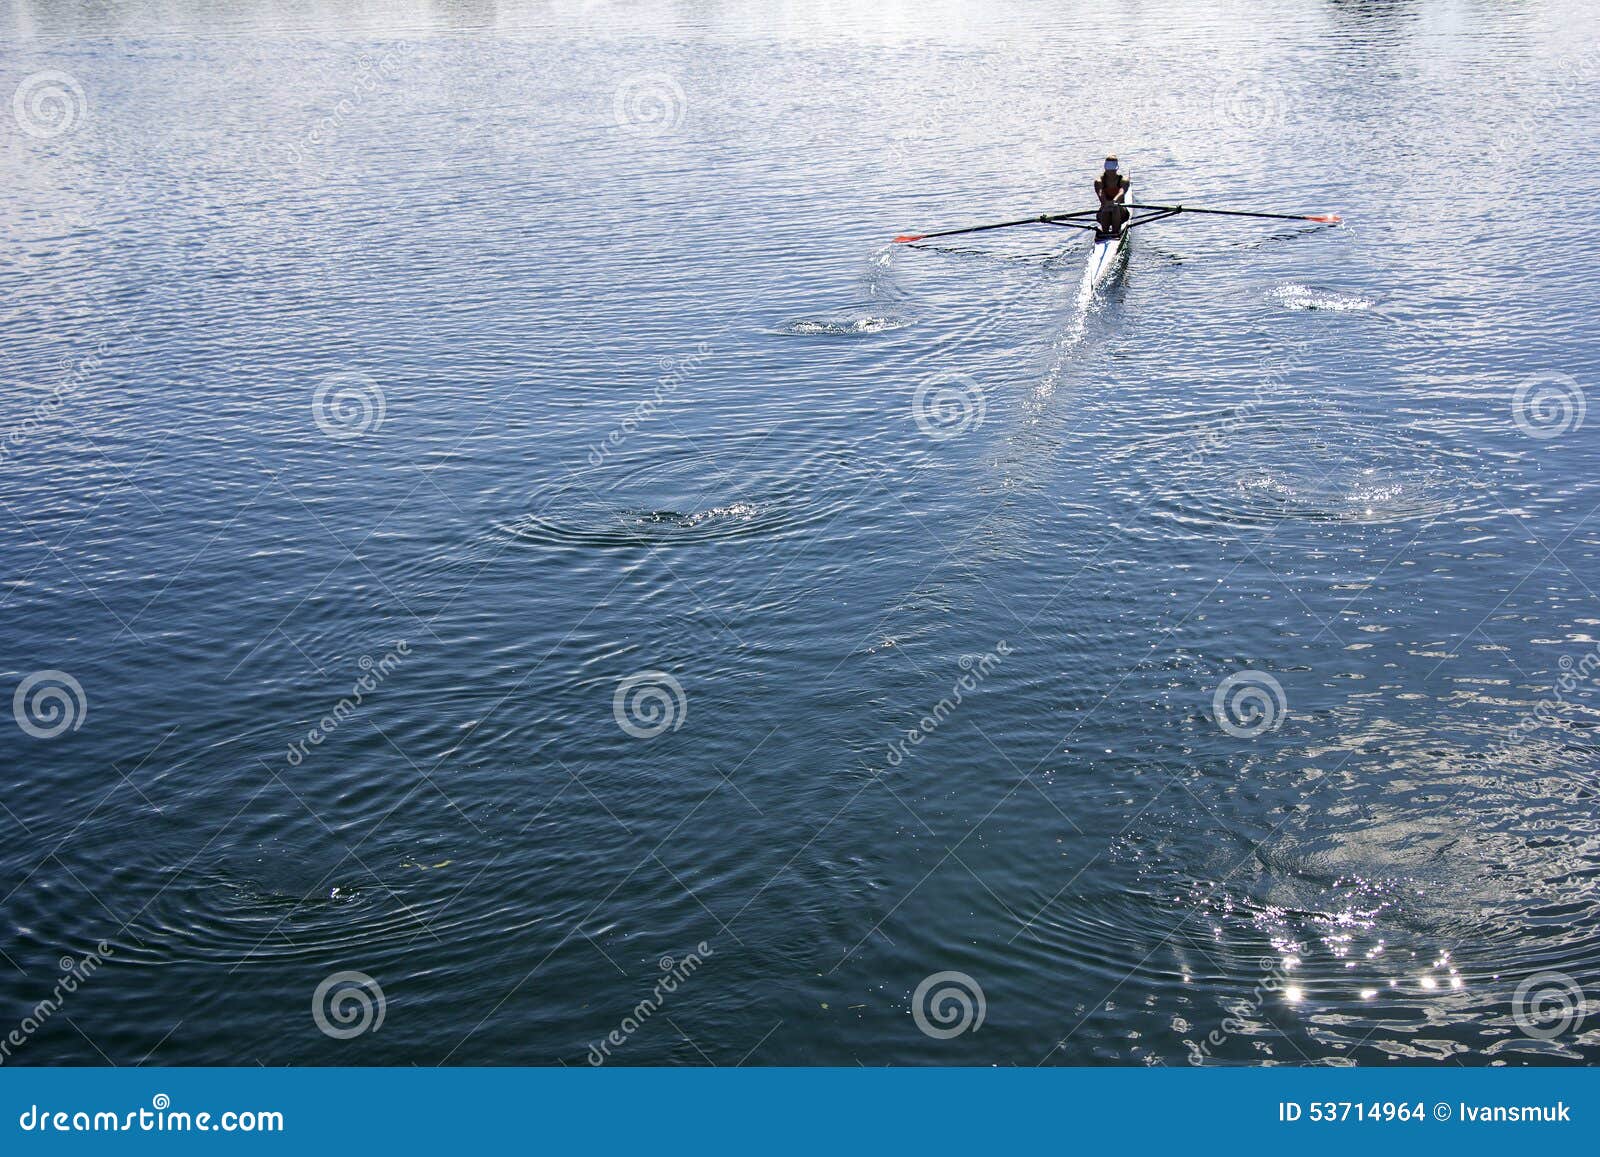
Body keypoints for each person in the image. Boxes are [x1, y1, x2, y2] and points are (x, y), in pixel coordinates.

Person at [1094, 155, 1129, 237]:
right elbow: (1100, 192)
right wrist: (1106, 202)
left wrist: (1114, 201)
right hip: (1104, 212)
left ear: (1116, 168)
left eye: (1113, 169)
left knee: (1115, 207)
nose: (1111, 172)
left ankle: (1116, 233)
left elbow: (1122, 191)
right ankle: (1105, 233)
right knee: (1106, 208)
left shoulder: (1124, 180)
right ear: (1105, 168)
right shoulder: (1099, 181)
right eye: (1109, 169)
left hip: (1121, 213)